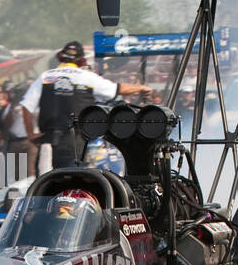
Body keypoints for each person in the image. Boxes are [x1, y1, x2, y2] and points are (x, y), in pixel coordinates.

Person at [22, 41, 146, 169]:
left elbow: (26, 106)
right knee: (74, 181)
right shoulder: (87, 77)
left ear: (60, 57)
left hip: (48, 140)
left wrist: (30, 134)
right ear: (81, 60)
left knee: (45, 183)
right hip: (77, 142)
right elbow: (118, 89)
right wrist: (142, 87)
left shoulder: (45, 77)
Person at [0, 86, 36, 178]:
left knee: (29, 170)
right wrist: (13, 108)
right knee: (15, 172)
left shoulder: (32, 104)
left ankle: (29, 190)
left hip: (29, 141)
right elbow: (6, 124)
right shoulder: (10, 106)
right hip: (14, 141)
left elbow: (36, 118)